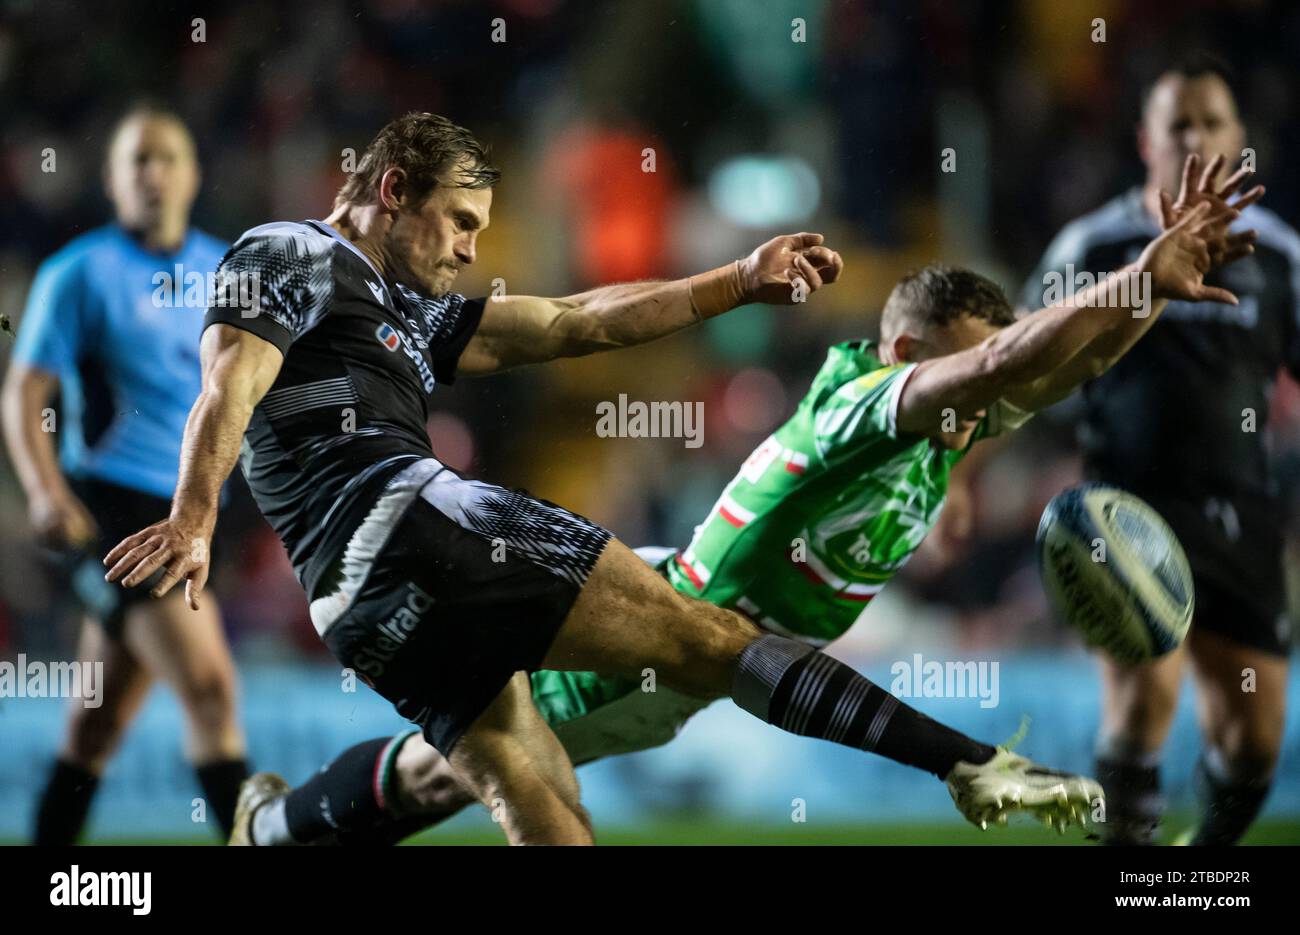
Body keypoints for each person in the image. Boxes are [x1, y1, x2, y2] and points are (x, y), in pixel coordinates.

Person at [106, 114, 1235, 845]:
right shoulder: (292, 252)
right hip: (411, 519)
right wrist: (196, 515)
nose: (464, 249)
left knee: (538, 803)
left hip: (364, 603)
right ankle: (969, 763)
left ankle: (269, 836)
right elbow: (228, 379)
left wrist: (734, 280)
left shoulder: (401, 311)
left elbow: (567, 319)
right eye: (456, 223)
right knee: (704, 634)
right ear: (391, 188)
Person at [1023, 53, 1292, 845]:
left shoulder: (1280, 258)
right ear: (1146, 141)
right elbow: (1011, 361)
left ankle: (1195, 871)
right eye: (1180, 123)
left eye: (1213, 122)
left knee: (1254, 741)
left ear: (1239, 139)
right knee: (1142, 705)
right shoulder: (1091, 247)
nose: (1196, 138)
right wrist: (963, 472)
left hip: (1242, 514)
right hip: (1125, 514)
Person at [2, 106, 249, 844]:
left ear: (193, 174)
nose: (153, 174)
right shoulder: (78, 273)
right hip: (112, 510)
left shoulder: (228, 267)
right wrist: (46, 495)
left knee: (95, 728)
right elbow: (23, 391)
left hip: (200, 510)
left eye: (167, 158)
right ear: (113, 180)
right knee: (208, 690)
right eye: (136, 160)